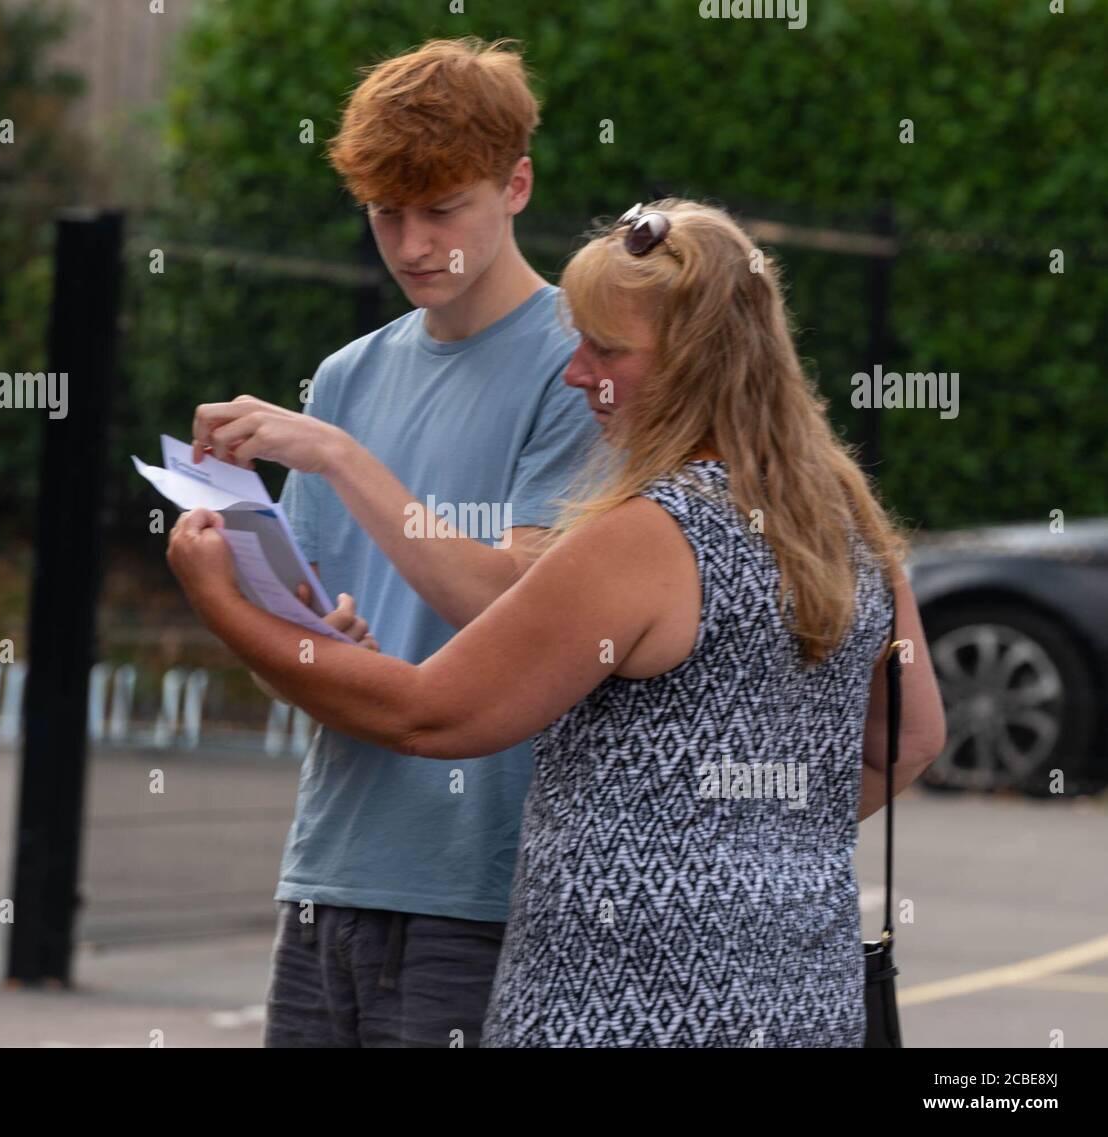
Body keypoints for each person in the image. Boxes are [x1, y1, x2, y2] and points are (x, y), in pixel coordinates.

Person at [170, 197, 948, 1047]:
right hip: (801, 990)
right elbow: (907, 741)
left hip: (617, 1003)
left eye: (606, 349)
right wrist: (750, 848)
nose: (578, 374)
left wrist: (224, 603)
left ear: (696, 363)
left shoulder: (645, 538)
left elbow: (427, 711)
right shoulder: (845, 517)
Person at [190, 37, 599, 1047]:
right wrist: (270, 614)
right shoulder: (346, 378)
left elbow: (520, 613)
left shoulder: (583, 372)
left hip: (485, 886)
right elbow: (310, 644)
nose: (413, 243)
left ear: (516, 185)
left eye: (442, 209)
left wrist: (342, 461)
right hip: (330, 867)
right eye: (385, 214)